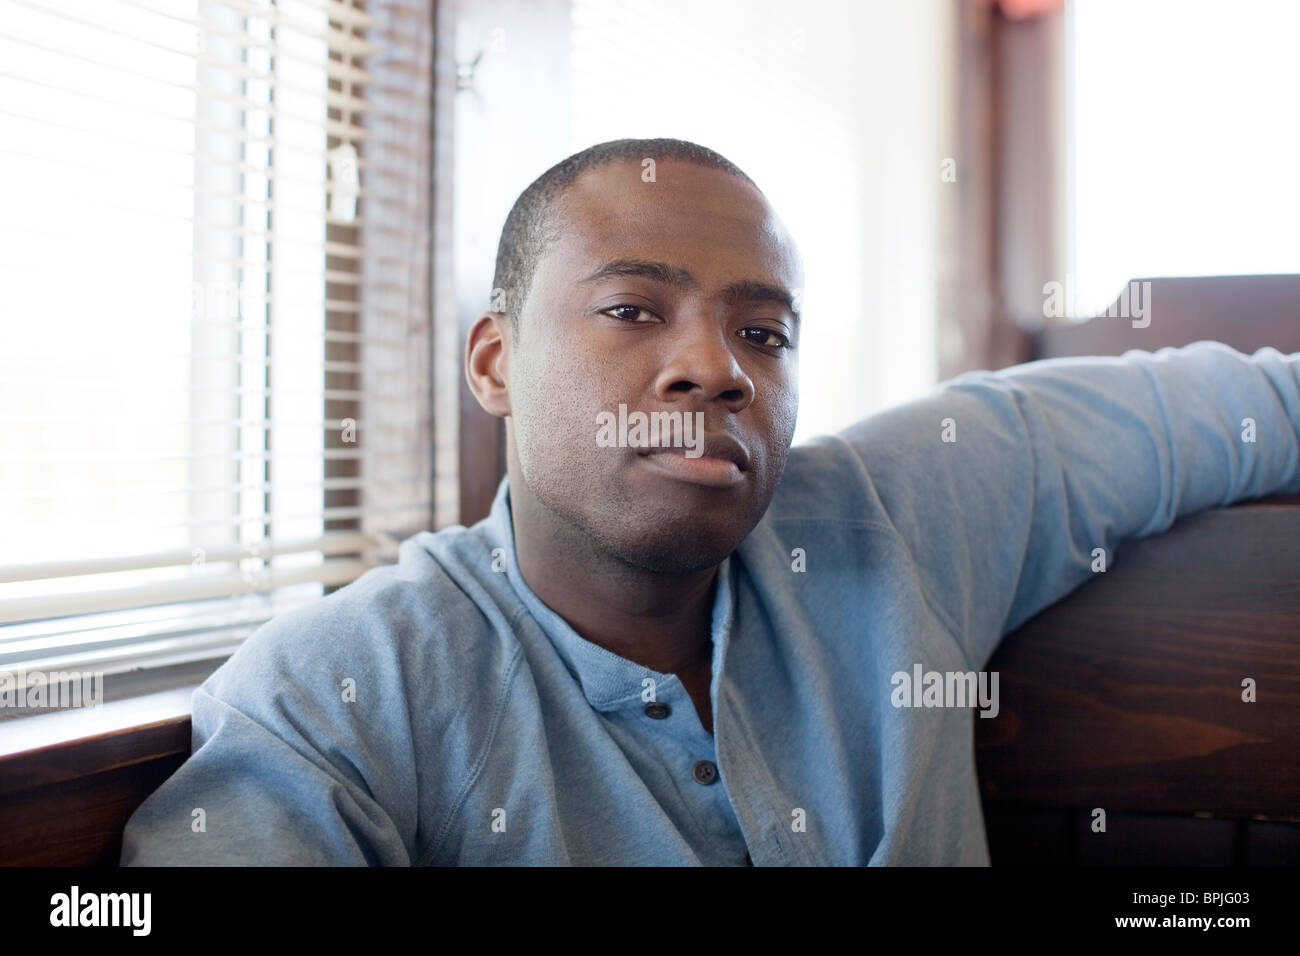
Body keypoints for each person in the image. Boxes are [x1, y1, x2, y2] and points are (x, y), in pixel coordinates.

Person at [120, 138, 1300, 865]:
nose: (718, 367)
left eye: (761, 331)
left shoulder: (903, 510)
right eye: (633, 308)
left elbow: (1255, 405)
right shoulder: (335, 697)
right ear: (493, 364)